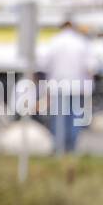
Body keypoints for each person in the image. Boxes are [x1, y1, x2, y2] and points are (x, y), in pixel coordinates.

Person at [38, 20, 93, 153]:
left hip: (57, 85)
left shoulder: (54, 42)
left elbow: (44, 63)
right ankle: (71, 148)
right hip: (76, 85)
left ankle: (58, 147)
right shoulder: (81, 43)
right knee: (74, 118)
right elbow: (90, 66)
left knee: (58, 117)